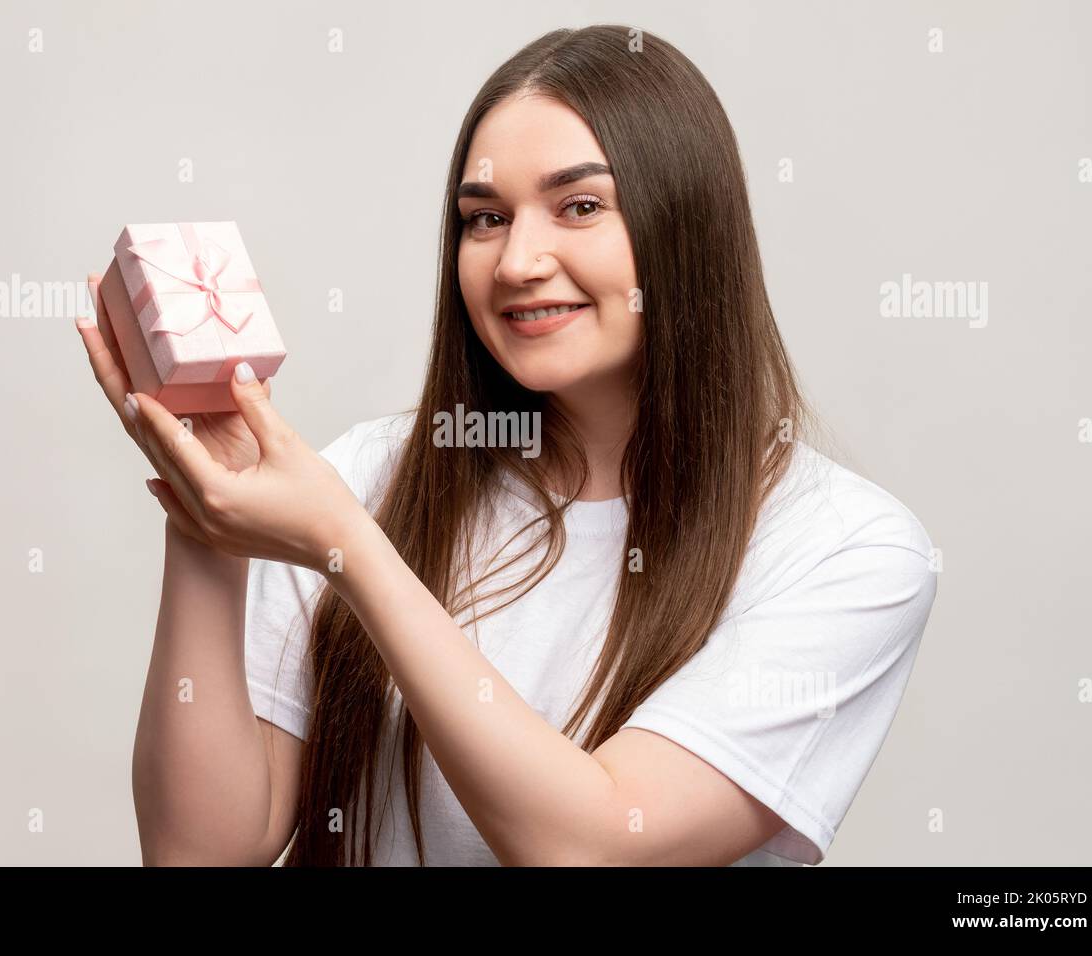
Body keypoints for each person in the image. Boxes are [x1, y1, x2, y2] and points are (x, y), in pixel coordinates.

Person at [77, 24, 938, 867]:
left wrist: (349, 549)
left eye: (581, 207)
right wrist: (205, 519)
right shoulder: (364, 478)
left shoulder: (848, 550)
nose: (518, 260)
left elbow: (593, 846)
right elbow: (199, 853)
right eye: (484, 219)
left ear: (687, 227)